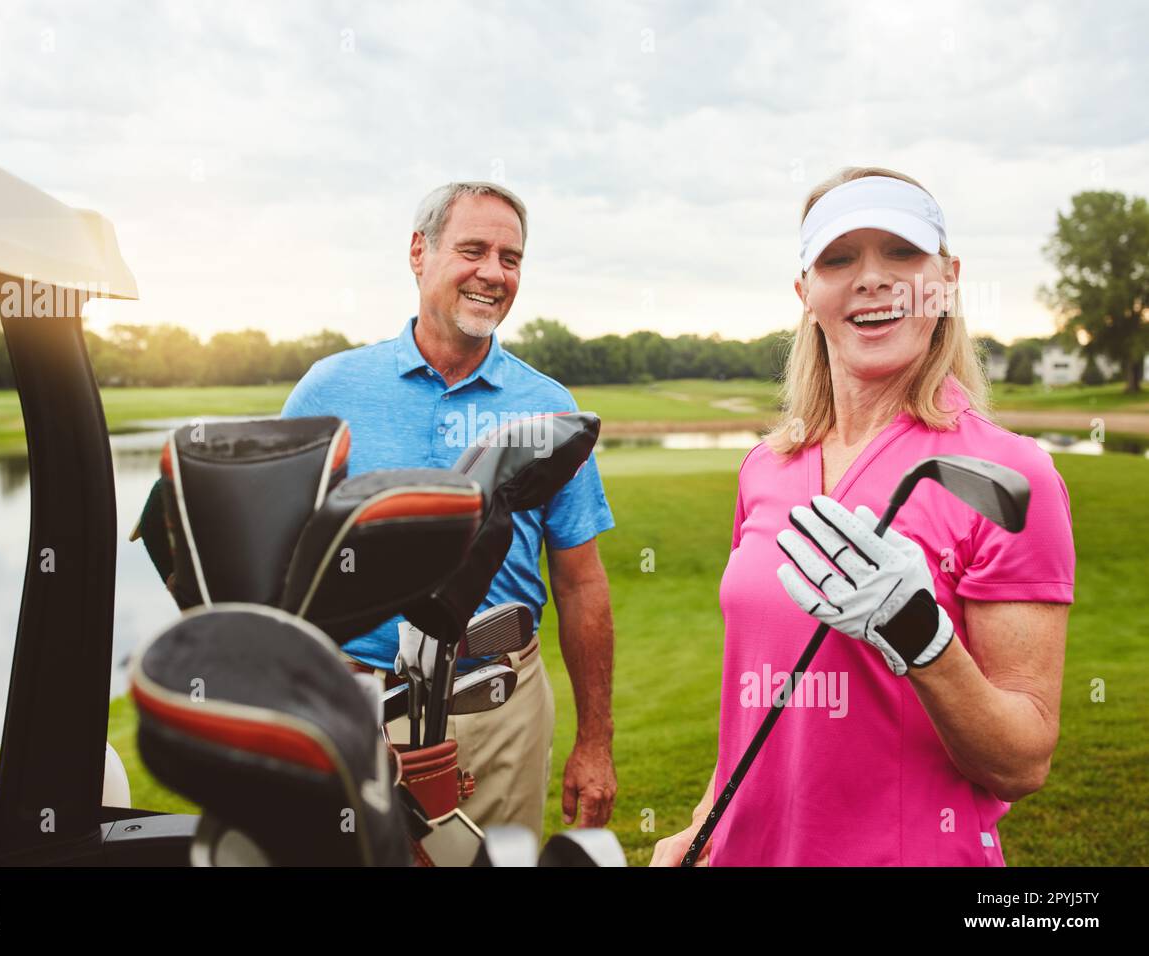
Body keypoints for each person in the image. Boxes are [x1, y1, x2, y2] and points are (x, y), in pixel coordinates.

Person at [651, 167, 1075, 866]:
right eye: (839, 258)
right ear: (805, 294)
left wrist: (923, 639)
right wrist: (704, 822)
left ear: (947, 279)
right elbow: (760, 705)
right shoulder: (766, 467)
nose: (872, 278)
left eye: (902, 253)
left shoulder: (1011, 473)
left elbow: (1020, 763)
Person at [281, 182, 617, 840]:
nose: (493, 273)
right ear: (419, 252)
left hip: (504, 707)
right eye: (473, 250)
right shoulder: (331, 388)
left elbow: (582, 582)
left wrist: (596, 742)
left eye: (510, 258)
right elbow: (280, 562)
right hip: (356, 705)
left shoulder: (549, 405)